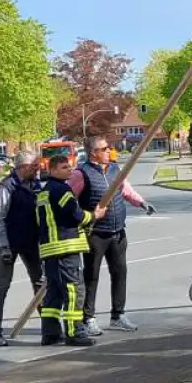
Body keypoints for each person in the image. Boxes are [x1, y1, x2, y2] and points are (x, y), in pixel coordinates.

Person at [68, 135, 156, 336]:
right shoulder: (82, 174)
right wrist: (82, 218)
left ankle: (118, 315)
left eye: (109, 148)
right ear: (93, 153)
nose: (109, 151)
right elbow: (68, 199)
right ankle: (88, 318)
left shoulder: (116, 169)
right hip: (95, 233)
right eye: (105, 148)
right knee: (91, 276)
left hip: (117, 231)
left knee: (119, 273)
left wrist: (141, 203)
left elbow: (126, 190)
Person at [36, 151, 96, 346]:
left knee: (53, 294)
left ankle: (50, 333)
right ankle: (74, 332)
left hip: (50, 251)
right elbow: (74, 213)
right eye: (64, 167)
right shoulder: (62, 190)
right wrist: (93, 216)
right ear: (52, 170)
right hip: (65, 248)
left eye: (70, 166)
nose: (69, 169)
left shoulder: (44, 191)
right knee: (73, 291)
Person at [0, 143, 45, 347]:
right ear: (23, 167)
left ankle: (49, 328)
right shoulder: (6, 187)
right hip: (9, 244)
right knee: (2, 286)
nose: (38, 168)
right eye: (34, 166)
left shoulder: (34, 184)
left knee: (40, 283)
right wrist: (3, 247)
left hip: (31, 241)